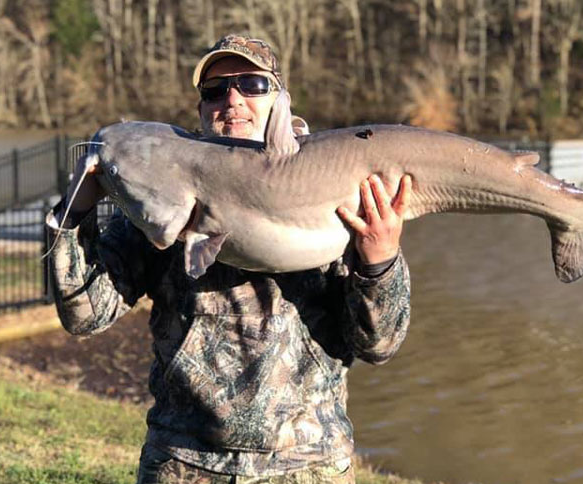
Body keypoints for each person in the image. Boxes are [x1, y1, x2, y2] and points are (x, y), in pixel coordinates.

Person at [47, 34, 413, 483]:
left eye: (252, 85)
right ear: (201, 109)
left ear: (280, 99)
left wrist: (379, 261)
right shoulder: (163, 195)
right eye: (215, 90)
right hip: (184, 462)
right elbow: (85, 315)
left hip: (309, 465)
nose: (232, 99)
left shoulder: (340, 190)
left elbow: (379, 345)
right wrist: (72, 216)